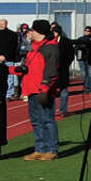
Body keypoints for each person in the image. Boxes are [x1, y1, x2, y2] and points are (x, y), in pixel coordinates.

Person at [21, 20, 65, 162]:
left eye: (32, 30)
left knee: (47, 120)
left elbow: (51, 70)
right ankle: (40, 149)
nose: (29, 33)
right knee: (36, 121)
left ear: (39, 32)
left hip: (42, 89)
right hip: (32, 89)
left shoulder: (50, 48)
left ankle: (52, 149)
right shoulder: (34, 48)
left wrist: (45, 89)